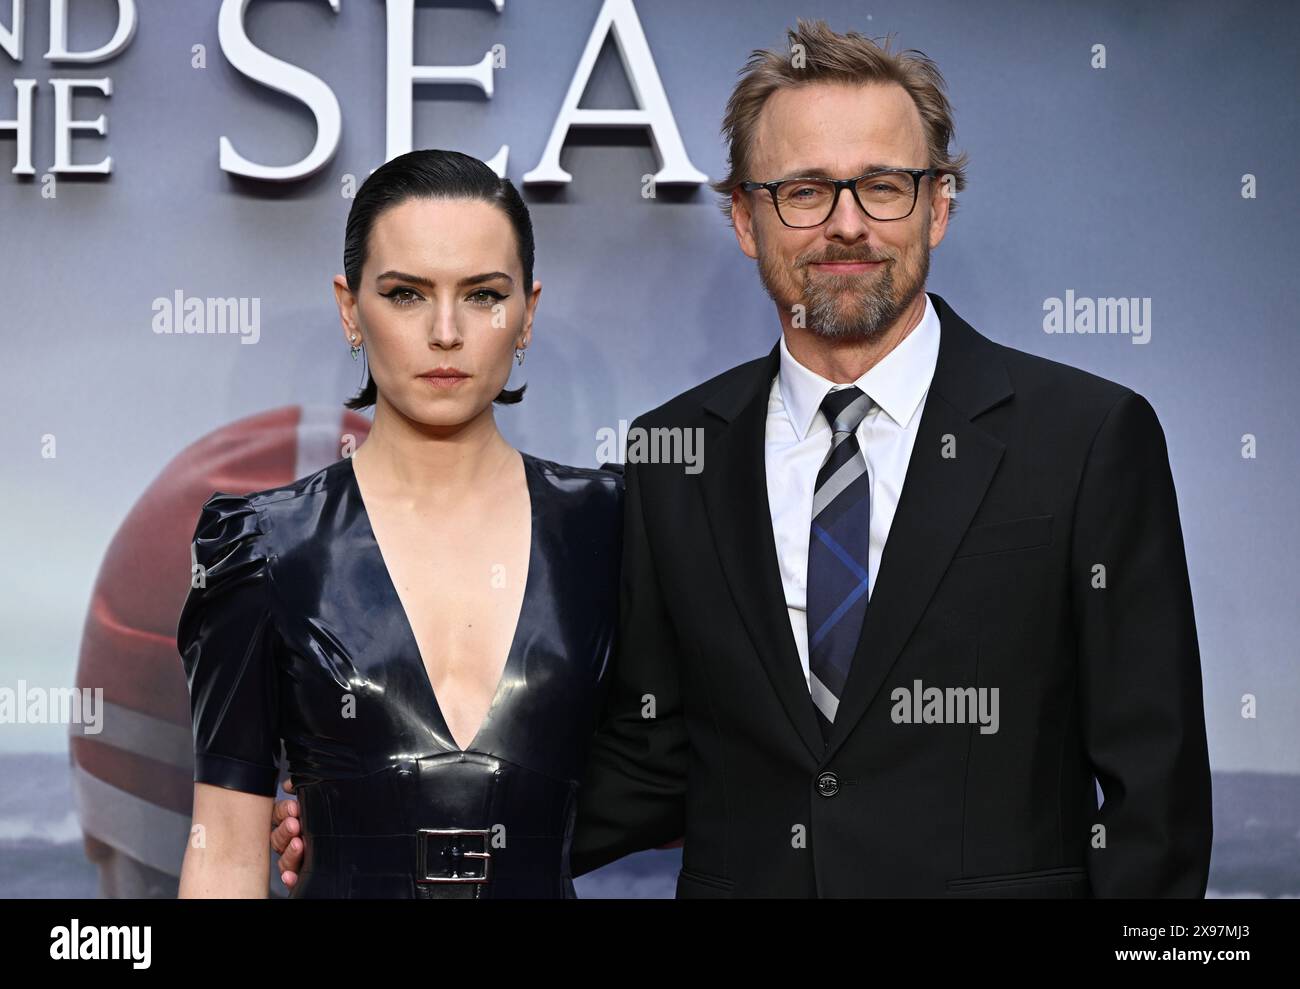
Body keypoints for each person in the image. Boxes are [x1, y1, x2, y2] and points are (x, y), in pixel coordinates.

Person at [276, 20, 1213, 898]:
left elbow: (1154, 806)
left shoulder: (1086, 438)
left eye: (883, 185)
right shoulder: (673, 455)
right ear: (742, 219)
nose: (846, 224)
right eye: (803, 191)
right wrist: (376, 819)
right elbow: (654, 758)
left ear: (939, 207)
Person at [176, 149, 622, 898]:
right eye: (407, 294)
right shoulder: (262, 549)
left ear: (527, 314)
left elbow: (699, 772)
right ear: (351, 308)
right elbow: (223, 851)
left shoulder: (612, 527)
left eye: (482, 295)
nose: (445, 332)